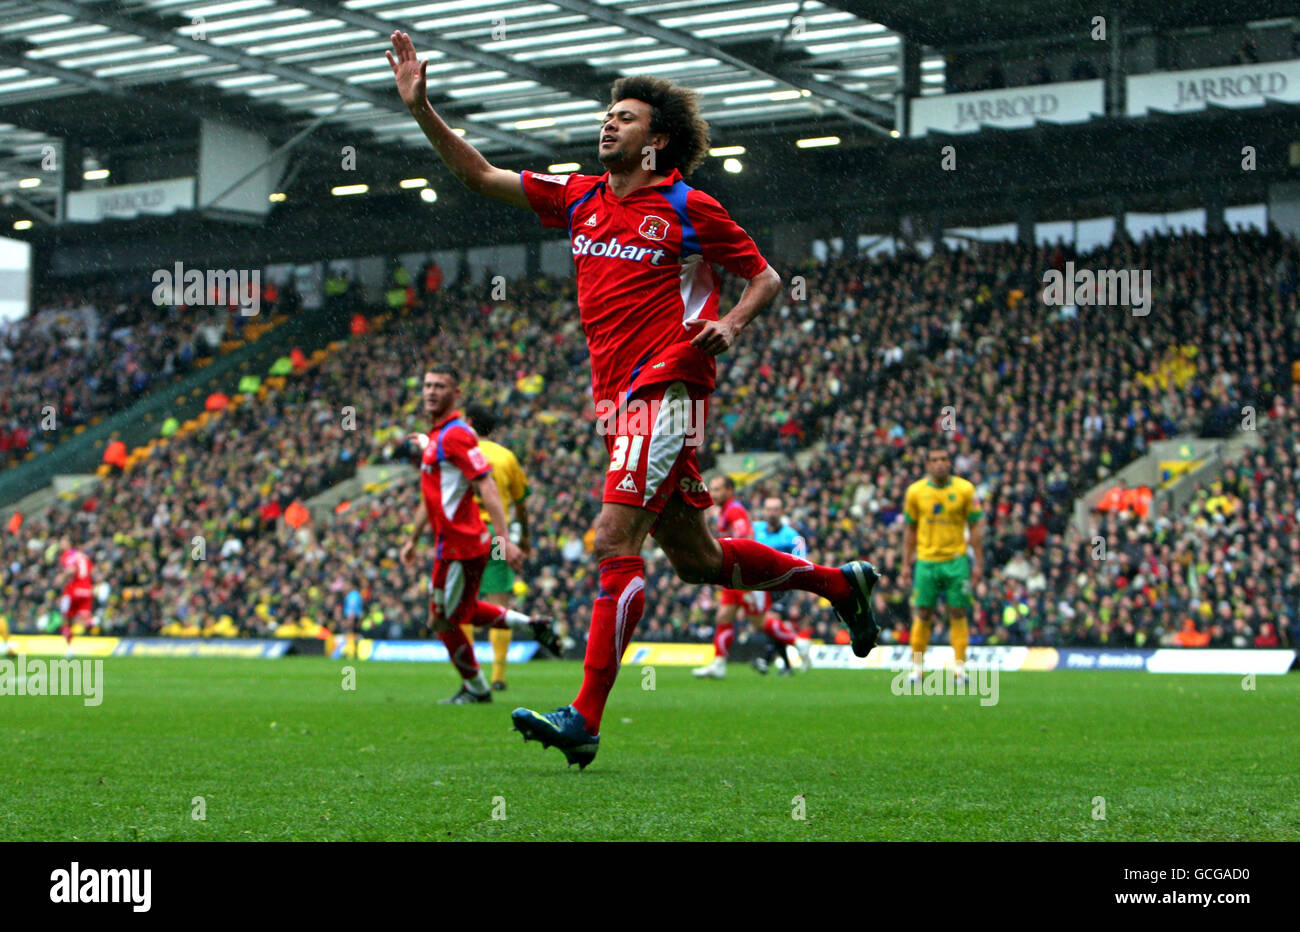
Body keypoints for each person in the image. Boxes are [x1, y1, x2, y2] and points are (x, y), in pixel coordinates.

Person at [388, 33, 881, 767]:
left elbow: (766, 278)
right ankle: (840, 584)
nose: (608, 124)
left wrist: (730, 324)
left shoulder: (688, 207)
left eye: (624, 117)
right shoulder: (580, 197)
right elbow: (480, 175)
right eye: (607, 115)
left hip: (667, 386)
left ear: (660, 139)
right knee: (697, 560)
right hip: (620, 403)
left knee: (612, 542)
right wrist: (422, 107)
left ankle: (584, 717)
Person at [399, 367, 557, 704]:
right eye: (426, 385)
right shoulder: (449, 440)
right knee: (466, 608)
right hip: (474, 538)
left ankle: (481, 686)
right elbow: (520, 501)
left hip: (466, 540)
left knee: (444, 618)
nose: (430, 391)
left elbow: (484, 484)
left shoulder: (456, 436)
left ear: (457, 395)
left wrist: (504, 538)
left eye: (439, 386)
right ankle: (525, 632)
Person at [461, 402, 532, 691]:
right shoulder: (506, 458)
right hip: (497, 537)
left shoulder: (461, 452)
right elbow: (521, 503)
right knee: (500, 603)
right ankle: (499, 676)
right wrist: (524, 536)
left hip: (466, 534)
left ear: (468, 422)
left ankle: (469, 674)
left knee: (459, 604)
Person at [900, 446, 984, 686]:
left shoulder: (965, 489)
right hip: (926, 562)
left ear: (950, 463)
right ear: (927, 464)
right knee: (923, 612)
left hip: (956, 561)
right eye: (934, 459)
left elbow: (976, 526)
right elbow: (910, 529)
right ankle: (917, 669)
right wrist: (906, 564)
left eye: (944, 459)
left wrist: (977, 561)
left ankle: (959, 669)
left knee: (957, 612)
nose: (939, 463)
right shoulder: (915, 492)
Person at [750, 495, 813, 675]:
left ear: (782, 512)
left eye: (775, 510)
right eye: (768, 509)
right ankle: (784, 664)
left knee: (773, 620)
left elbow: (802, 560)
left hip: (781, 586)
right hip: (760, 586)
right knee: (772, 625)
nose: (771, 513)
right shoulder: (756, 529)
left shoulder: (792, 536)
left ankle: (769, 659)